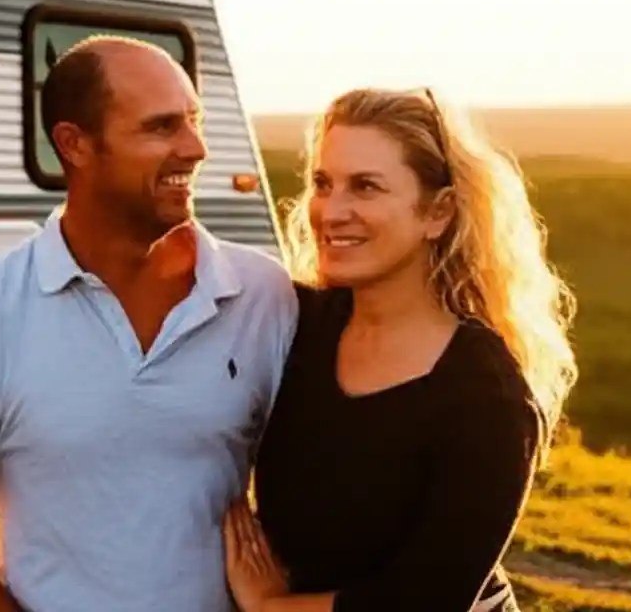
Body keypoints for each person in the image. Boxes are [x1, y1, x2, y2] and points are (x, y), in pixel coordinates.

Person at [0, 35, 297, 611]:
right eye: (162, 127)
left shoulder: (265, 295)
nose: (197, 147)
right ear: (75, 145)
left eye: (194, 119)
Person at [222, 87, 579, 611]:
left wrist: (272, 607)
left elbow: (425, 600)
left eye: (365, 187)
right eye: (323, 183)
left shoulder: (486, 394)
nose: (331, 211)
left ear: (437, 213)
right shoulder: (294, 325)